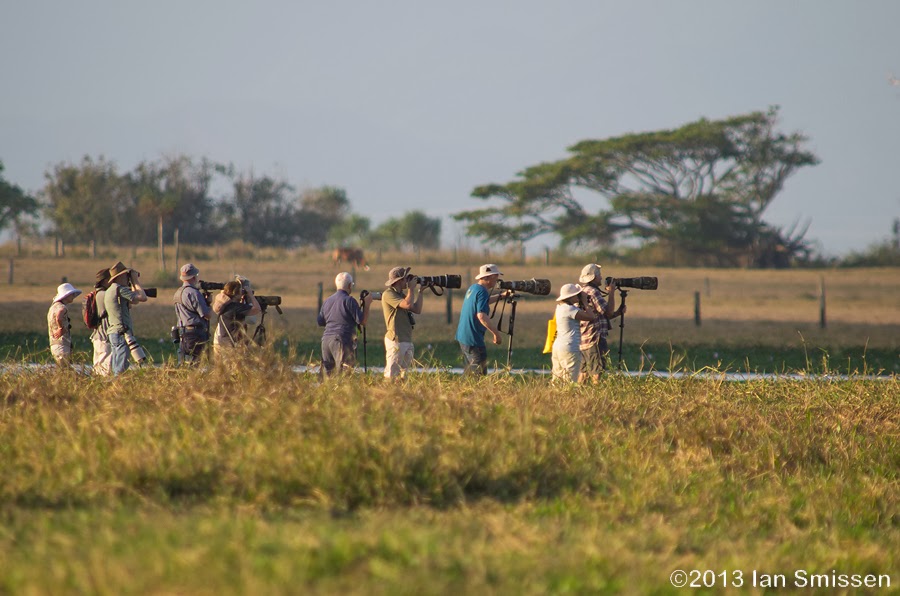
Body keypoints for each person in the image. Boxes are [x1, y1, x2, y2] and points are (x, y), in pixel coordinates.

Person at [455, 263, 510, 375]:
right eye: (495, 276)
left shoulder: (474, 288)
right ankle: (478, 392)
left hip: (463, 337)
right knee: (479, 375)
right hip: (473, 339)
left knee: (470, 373)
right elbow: (481, 316)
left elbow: (483, 302)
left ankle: (465, 391)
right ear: (487, 277)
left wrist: (501, 296)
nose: (497, 279)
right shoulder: (482, 292)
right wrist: (496, 334)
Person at [317, 272, 374, 376]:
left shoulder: (327, 301)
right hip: (342, 339)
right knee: (345, 373)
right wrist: (367, 304)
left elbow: (320, 321)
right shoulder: (349, 300)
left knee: (327, 376)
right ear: (349, 286)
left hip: (326, 340)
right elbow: (362, 321)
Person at [577, 263, 625, 381]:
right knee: (597, 372)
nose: (602, 278)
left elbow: (599, 315)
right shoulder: (593, 292)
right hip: (595, 338)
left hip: (583, 339)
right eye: (599, 276)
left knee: (583, 373)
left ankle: (576, 394)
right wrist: (612, 292)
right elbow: (608, 312)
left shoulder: (582, 291)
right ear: (593, 277)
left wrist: (619, 312)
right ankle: (595, 395)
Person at [104, 261, 148, 375]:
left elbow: (135, 301)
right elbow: (142, 297)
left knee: (116, 366)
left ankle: (113, 388)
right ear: (120, 276)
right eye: (126, 275)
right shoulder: (119, 289)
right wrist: (135, 280)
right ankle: (117, 389)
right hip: (121, 332)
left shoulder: (110, 290)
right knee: (120, 369)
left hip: (114, 332)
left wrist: (131, 284)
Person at [381, 266, 424, 379]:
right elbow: (407, 305)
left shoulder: (401, 295)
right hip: (396, 340)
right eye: (405, 278)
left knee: (403, 377)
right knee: (391, 375)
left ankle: (400, 395)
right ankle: (387, 394)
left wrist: (421, 292)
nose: (407, 281)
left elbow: (417, 309)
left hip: (406, 340)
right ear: (399, 280)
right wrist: (411, 289)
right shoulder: (388, 294)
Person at [551, 283, 598, 383]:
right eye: (577, 295)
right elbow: (591, 317)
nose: (579, 296)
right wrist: (585, 302)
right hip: (570, 347)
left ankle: (554, 397)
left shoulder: (560, 307)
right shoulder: (570, 309)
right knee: (570, 381)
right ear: (571, 297)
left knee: (557, 379)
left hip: (558, 347)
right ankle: (568, 397)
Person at [173, 262, 212, 365]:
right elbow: (207, 315)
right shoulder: (194, 293)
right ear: (193, 277)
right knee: (197, 364)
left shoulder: (178, 292)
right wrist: (208, 304)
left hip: (183, 333)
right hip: (195, 334)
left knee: (184, 363)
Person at [212, 280, 261, 358]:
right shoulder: (235, 307)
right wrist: (251, 295)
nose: (242, 293)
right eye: (240, 291)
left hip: (223, 341)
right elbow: (257, 309)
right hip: (232, 344)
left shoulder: (224, 305)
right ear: (236, 293)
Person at [47, 282, 82, 366]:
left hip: (54, 344)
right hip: (62, 344)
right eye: (71, 294)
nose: (73, 296)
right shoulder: (62, 307)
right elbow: (59, 315)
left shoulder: (52, 307)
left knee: (62, 369)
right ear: (66, 295)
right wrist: (60, 328)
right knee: (65, 369)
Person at [90, 268, 112, 376]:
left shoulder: (97, 293)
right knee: (105, 373)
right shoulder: (104, 294)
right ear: (105, 281)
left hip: (98, 337)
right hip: (105, 338)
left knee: (98, 371)